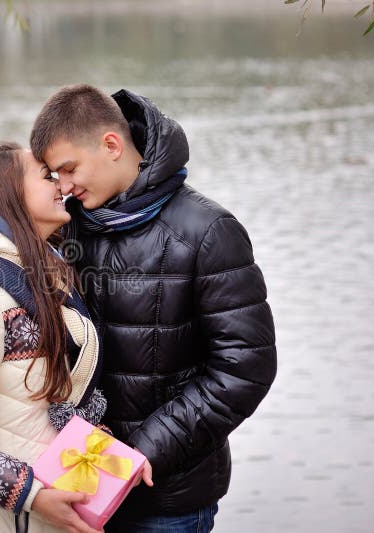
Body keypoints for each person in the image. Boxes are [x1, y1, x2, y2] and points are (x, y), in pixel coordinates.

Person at [29, 85, 277, 533]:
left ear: (111, 145)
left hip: (167, 498)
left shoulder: (209, 231)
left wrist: (142, 451)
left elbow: (245, 368)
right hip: (70, 488)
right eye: (54, 175)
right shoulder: (64, 226)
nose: (62, 186)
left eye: (68, 169)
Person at [0, 142, 153, 533]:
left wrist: (113, 460)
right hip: (7, 522)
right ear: (10, 195)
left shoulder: (49, 277)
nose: (62, 186)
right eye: (47, 176)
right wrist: (34, 496)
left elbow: (48, 408)